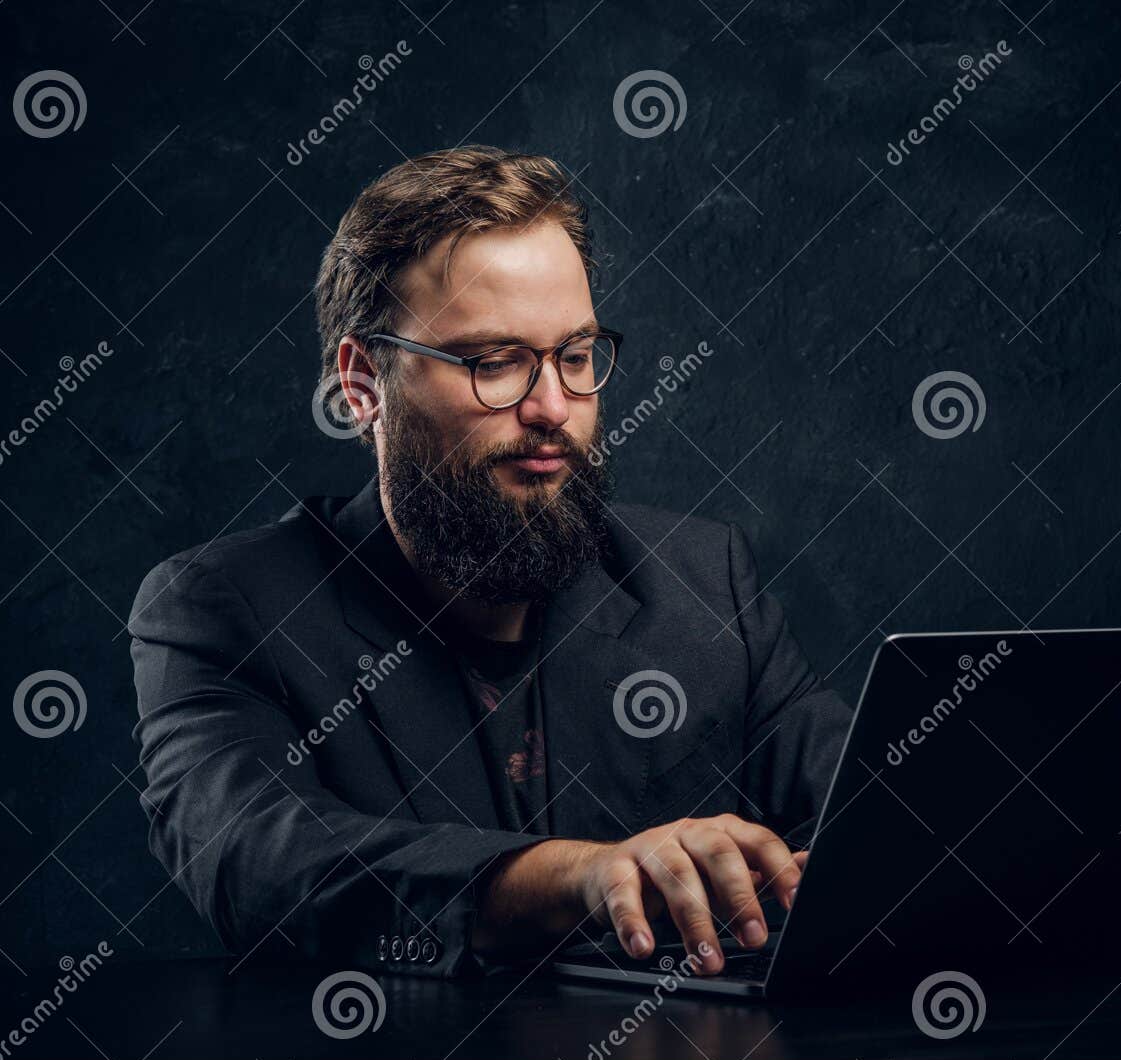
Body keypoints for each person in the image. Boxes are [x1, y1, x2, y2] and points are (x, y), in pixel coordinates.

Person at [127, 146, 851, 979]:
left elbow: (882, 811)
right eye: (494, 363)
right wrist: (583, 876)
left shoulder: (703, 580)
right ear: (363, 385)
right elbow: (259, 864)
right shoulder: (225, 608)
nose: (553, 408)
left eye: (574, 356)